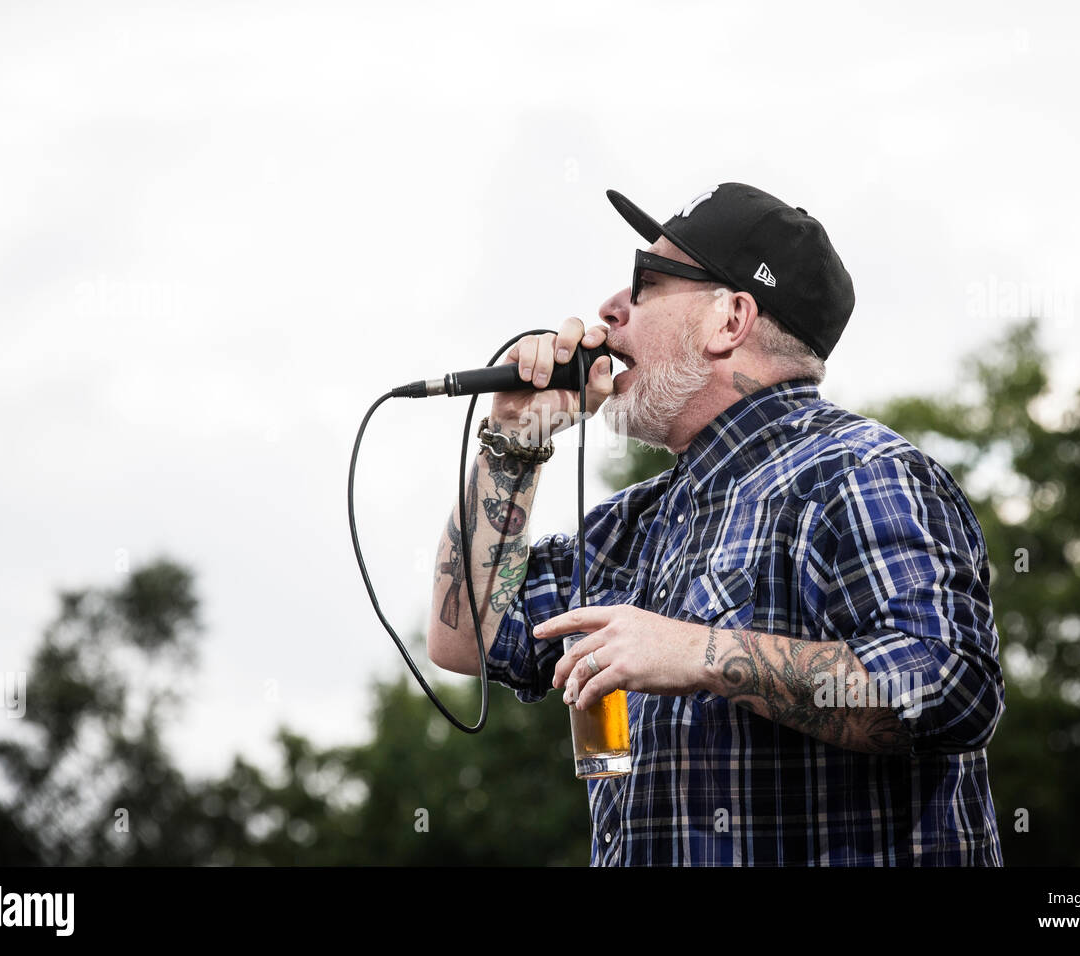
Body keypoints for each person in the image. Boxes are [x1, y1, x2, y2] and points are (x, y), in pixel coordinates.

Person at [426, 182, 1005, 866]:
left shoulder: (861, 472)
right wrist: (514, 438)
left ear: (730, 320)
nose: (609, 309)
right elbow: (467, 640)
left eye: (646, 282)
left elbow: (948, 686)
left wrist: (698, 655)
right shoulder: (629, 526)